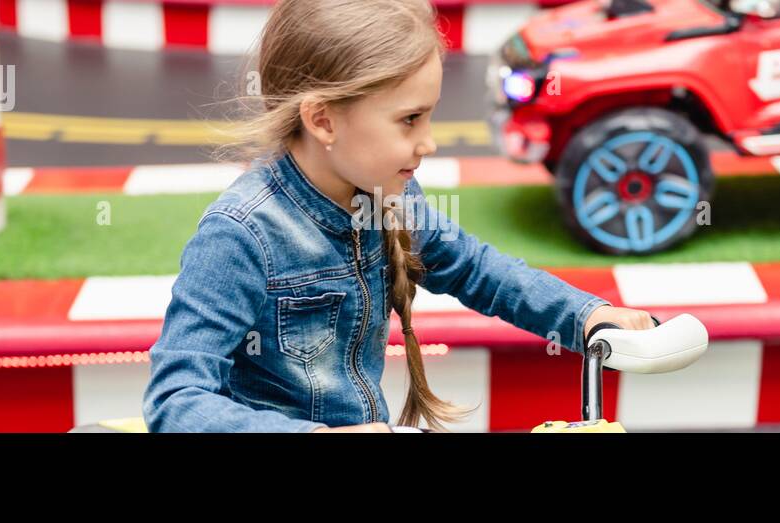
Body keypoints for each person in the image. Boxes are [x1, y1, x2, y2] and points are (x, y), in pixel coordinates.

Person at [142, 0, 655, 433]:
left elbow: (479, 270)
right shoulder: (241, 235)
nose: (427, 142)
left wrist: (584, 314)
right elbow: (175, 398)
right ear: (323, 119)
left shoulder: (391, 196)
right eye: (409, 119)